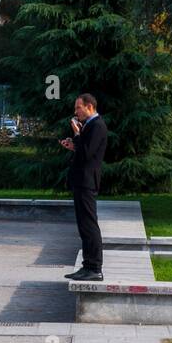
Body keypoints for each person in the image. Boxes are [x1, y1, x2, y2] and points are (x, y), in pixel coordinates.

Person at [61, 93, 107, 282]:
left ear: (89, 107)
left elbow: (88, 154)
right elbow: (84, 151)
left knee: (89, 225)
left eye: (78, 107)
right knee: (83, 225)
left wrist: (77, 134)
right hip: (82, 181)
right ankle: (87, 266)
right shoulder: (90, 125)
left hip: (87, 182)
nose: (75, 112)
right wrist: (74, 145)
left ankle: (95, 267)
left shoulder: (97, 125)